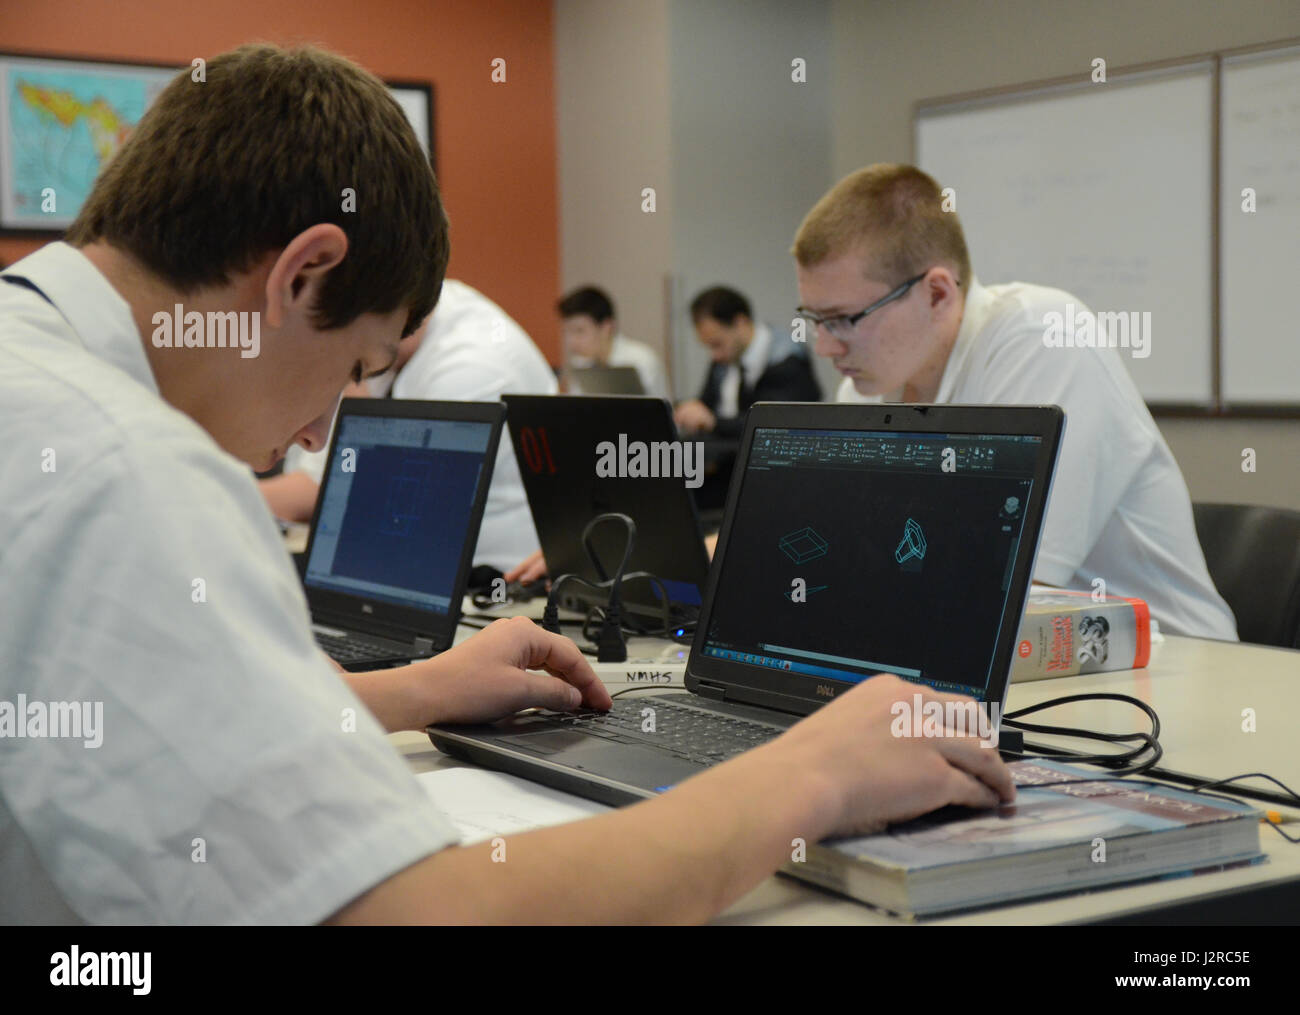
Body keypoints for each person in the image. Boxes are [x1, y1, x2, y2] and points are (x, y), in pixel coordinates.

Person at [0, 45, 1013, 925]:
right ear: (304, 273)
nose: (320, 430)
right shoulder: (131, 474)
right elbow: (422, 913)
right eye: (357, 367)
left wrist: (409, 691)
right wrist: (814, 772)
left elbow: (153, 712)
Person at [791, 163, 1236, 641]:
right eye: (815, 319)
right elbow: (855, 559)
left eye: (843, 319)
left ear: (937, 293)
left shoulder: (1047, 337)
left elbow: (1000, 589)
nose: (825, 347)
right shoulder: (868, 386)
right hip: (995, 669)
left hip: (1170, 670)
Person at [260, 278, 556, 572]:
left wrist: (221, 495)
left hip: (493, 586)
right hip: (423, 566)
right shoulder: (396, 325)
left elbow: (345, 493)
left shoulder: (471, 369)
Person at [673, 286, 821, 437]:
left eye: (716, 344)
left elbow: (775, 423)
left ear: (740, 323)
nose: (714, 356)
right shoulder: (726, 355)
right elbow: (707, 404)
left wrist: (714, 422)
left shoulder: (787, 359)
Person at [559, 285, 668, 399]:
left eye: (579, 331)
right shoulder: (581, 362)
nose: (570, 341)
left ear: (607, 327)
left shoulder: (641, 360)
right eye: (565, 332)